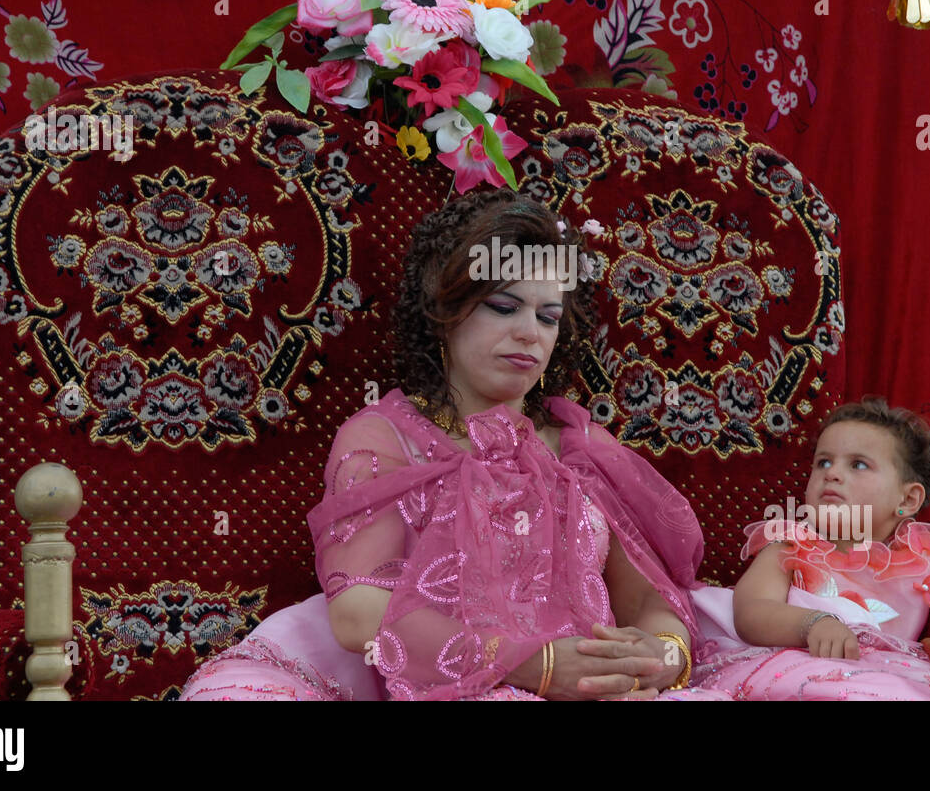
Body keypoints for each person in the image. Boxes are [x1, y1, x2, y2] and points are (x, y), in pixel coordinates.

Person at [180, 188, 713, 700]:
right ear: (444, 313)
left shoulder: (581, 446)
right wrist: (537, 666)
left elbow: (649, 597)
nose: (531, 332)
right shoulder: (385, 437)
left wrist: (660, 655)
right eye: (504, 307)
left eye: (549, 317)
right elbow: (359, 611)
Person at [680, 396, 930, 700]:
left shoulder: (925, 556)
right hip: (794, 659)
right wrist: (811, 624)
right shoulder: (791, 546)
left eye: (857, 465)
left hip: (895, 674)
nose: (832, 474)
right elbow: (750, 612)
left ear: (907, 501)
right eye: (823, 462)